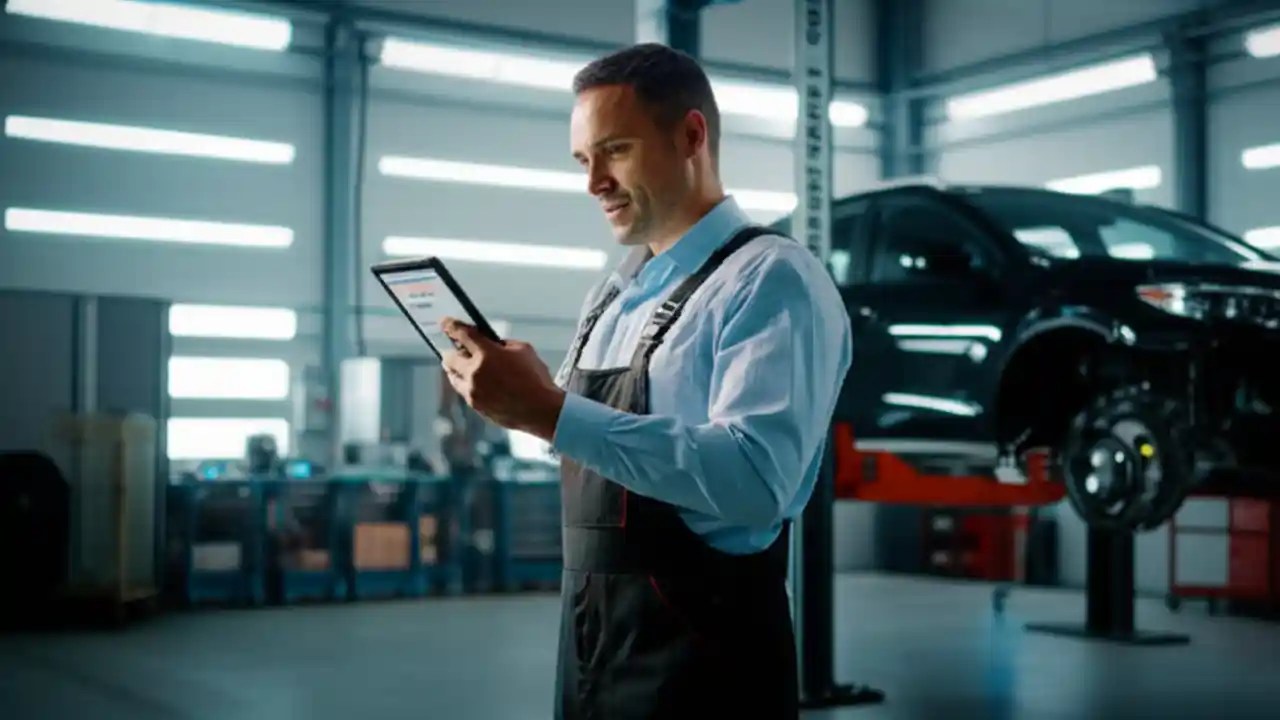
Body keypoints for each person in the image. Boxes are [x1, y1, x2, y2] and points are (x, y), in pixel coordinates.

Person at [440, 42, 852, 719]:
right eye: (583, 160)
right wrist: (517, 399)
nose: (593, 182)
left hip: (704, 673)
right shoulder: (613, 293)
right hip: (592, 655)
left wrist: (550, 412)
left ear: (692, 135)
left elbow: (754, 483)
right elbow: (588, 449)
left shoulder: (771, 279)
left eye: (616, 150)